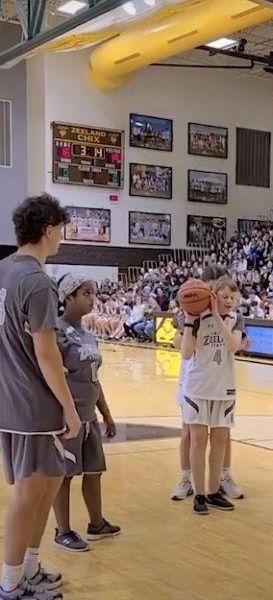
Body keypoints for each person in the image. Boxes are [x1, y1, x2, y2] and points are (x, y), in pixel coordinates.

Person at [0, 195, 79, 600]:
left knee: (49, 481)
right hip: (33, 404)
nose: (62, 237)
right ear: (48, 229)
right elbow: (46, 354)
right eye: (61, 228)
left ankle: (28, 568)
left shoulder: (3, 272)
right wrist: (69, 406)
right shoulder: (37, 281)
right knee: (28, 495)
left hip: (12, 399)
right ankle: (11, 584)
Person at [51, 274, 121, 552]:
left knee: (94, 470)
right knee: (65, 474)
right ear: (68, 296)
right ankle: (63, 530)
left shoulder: (88, 335)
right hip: (67, 417)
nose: (93, 298)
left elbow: (94, 378)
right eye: (86, 293)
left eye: (93, 293)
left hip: (89, 415)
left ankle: (96, 523)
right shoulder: (56, 331)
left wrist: (106, 413)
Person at [171, 265, 246, 502]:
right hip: (192, 376)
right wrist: (185, 335)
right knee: (190, 433)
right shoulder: (189, 309)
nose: (215, 292)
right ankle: (187, 479)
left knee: (223, 434)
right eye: (212, 286)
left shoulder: (232, 316)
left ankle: (222, 476)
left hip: (219, 376)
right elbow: (177, 341)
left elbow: (235, 343)